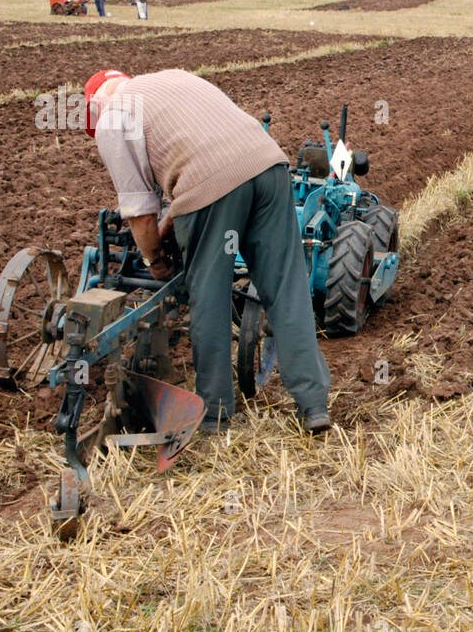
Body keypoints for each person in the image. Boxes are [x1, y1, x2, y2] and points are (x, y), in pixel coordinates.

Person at [84, 68, 333, 435]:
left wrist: (155, 261)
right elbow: (209, 151)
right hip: (268, 166)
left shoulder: (111, 117)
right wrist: (178, 217)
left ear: (95, 105)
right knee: (286, 288)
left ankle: (215, 416)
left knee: (209, 297)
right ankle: (313, 406)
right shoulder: (173, 78)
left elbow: (139, 210)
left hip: (211, 186)